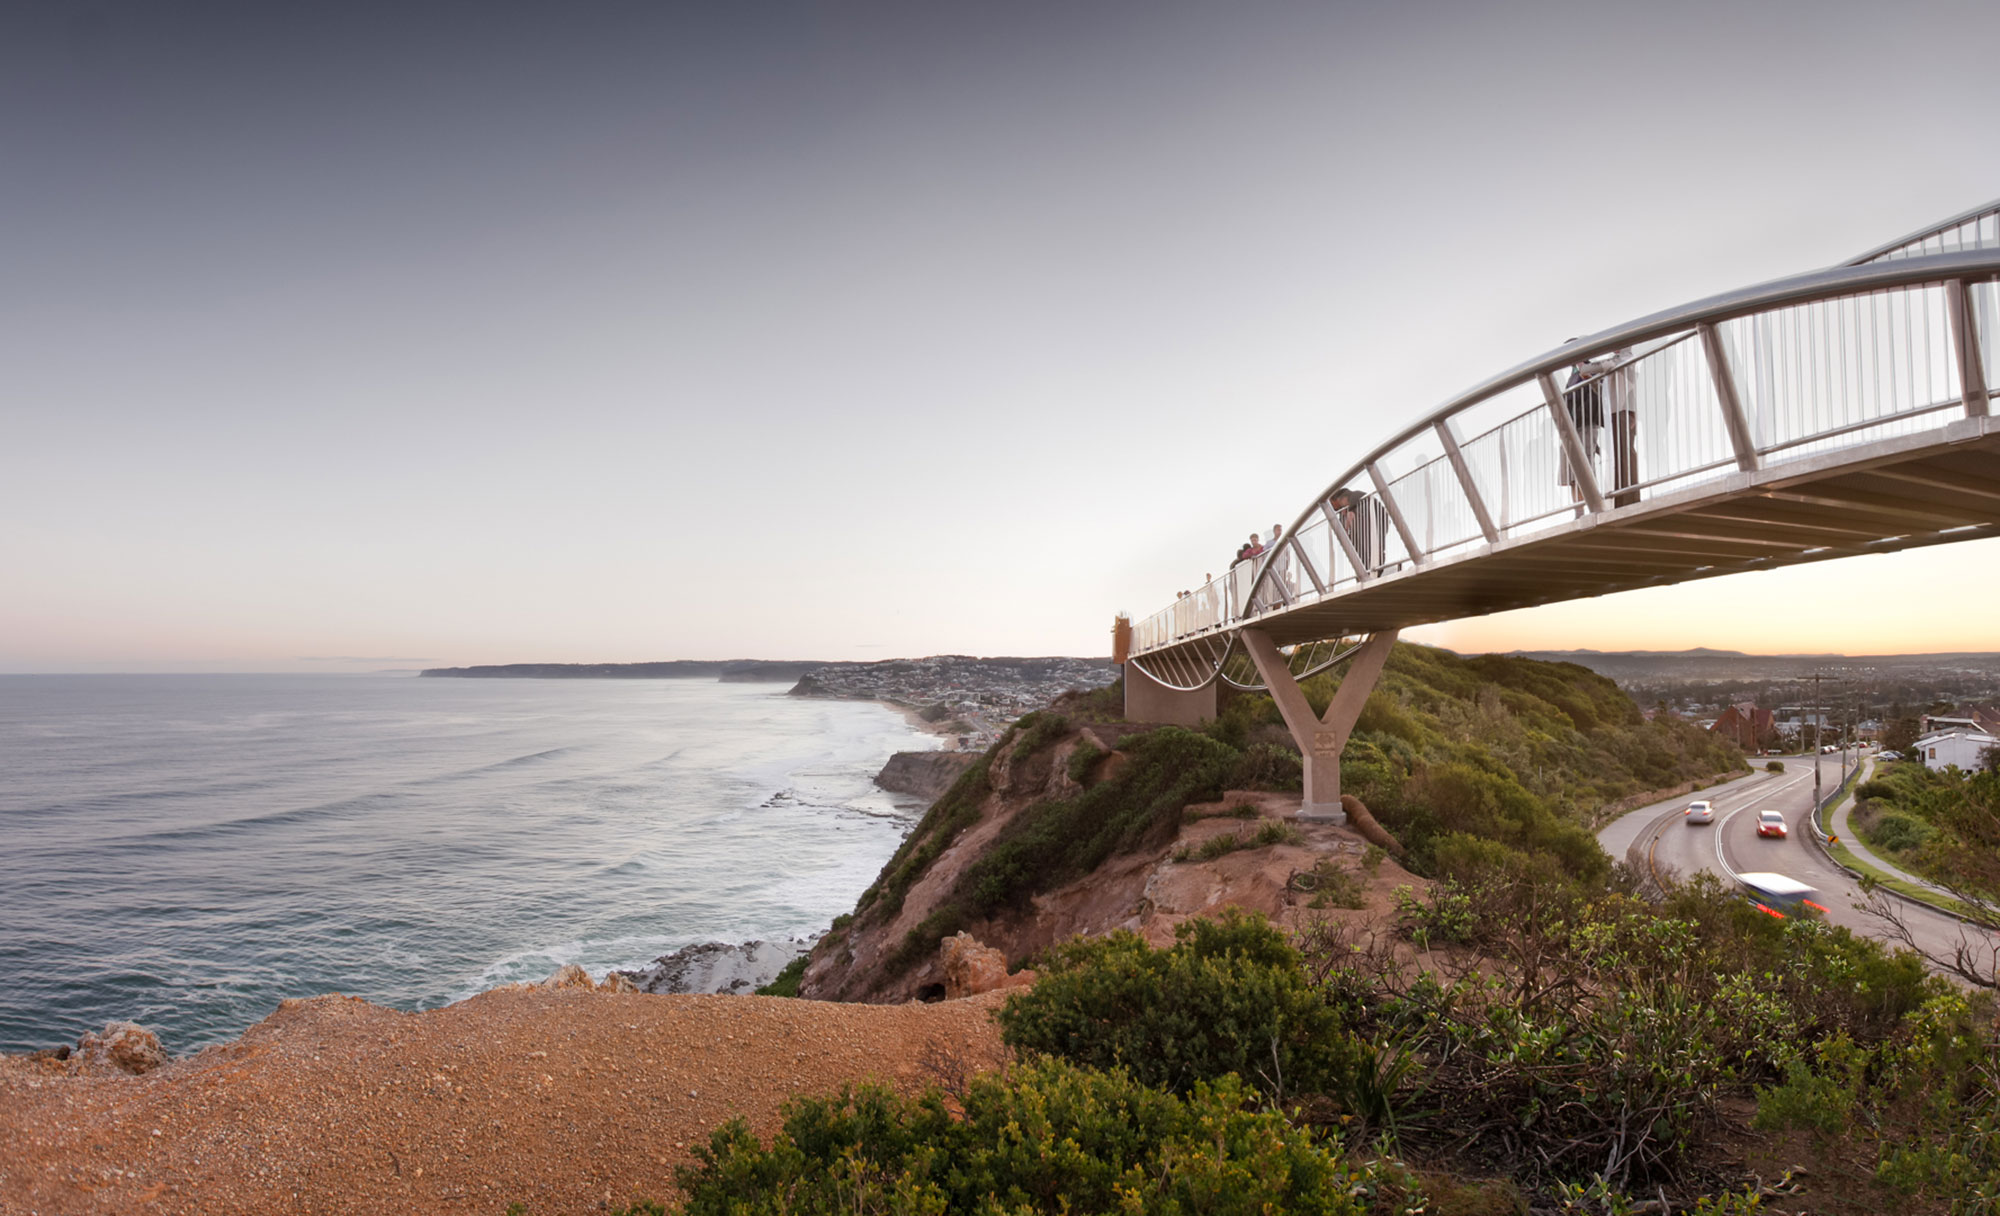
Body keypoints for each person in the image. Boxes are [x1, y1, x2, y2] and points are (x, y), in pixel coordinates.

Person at [1560, 356, 1606, 510]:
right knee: (1571, 472)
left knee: (1585, 469)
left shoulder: (1592, 369)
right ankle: (1578, 510)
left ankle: (1593, 507)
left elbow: (1597, 393)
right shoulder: (1572, 376)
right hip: (1571, 427)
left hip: (1586, 423)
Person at [1605, 346, 1640, 507]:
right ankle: (1625, 496)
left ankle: (1626, 497)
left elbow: (1588, 369)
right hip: (1621, 411)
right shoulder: (1624, 360)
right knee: (1622, 453)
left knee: (1624, 453)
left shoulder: (1622, 360)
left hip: (1621, 411)